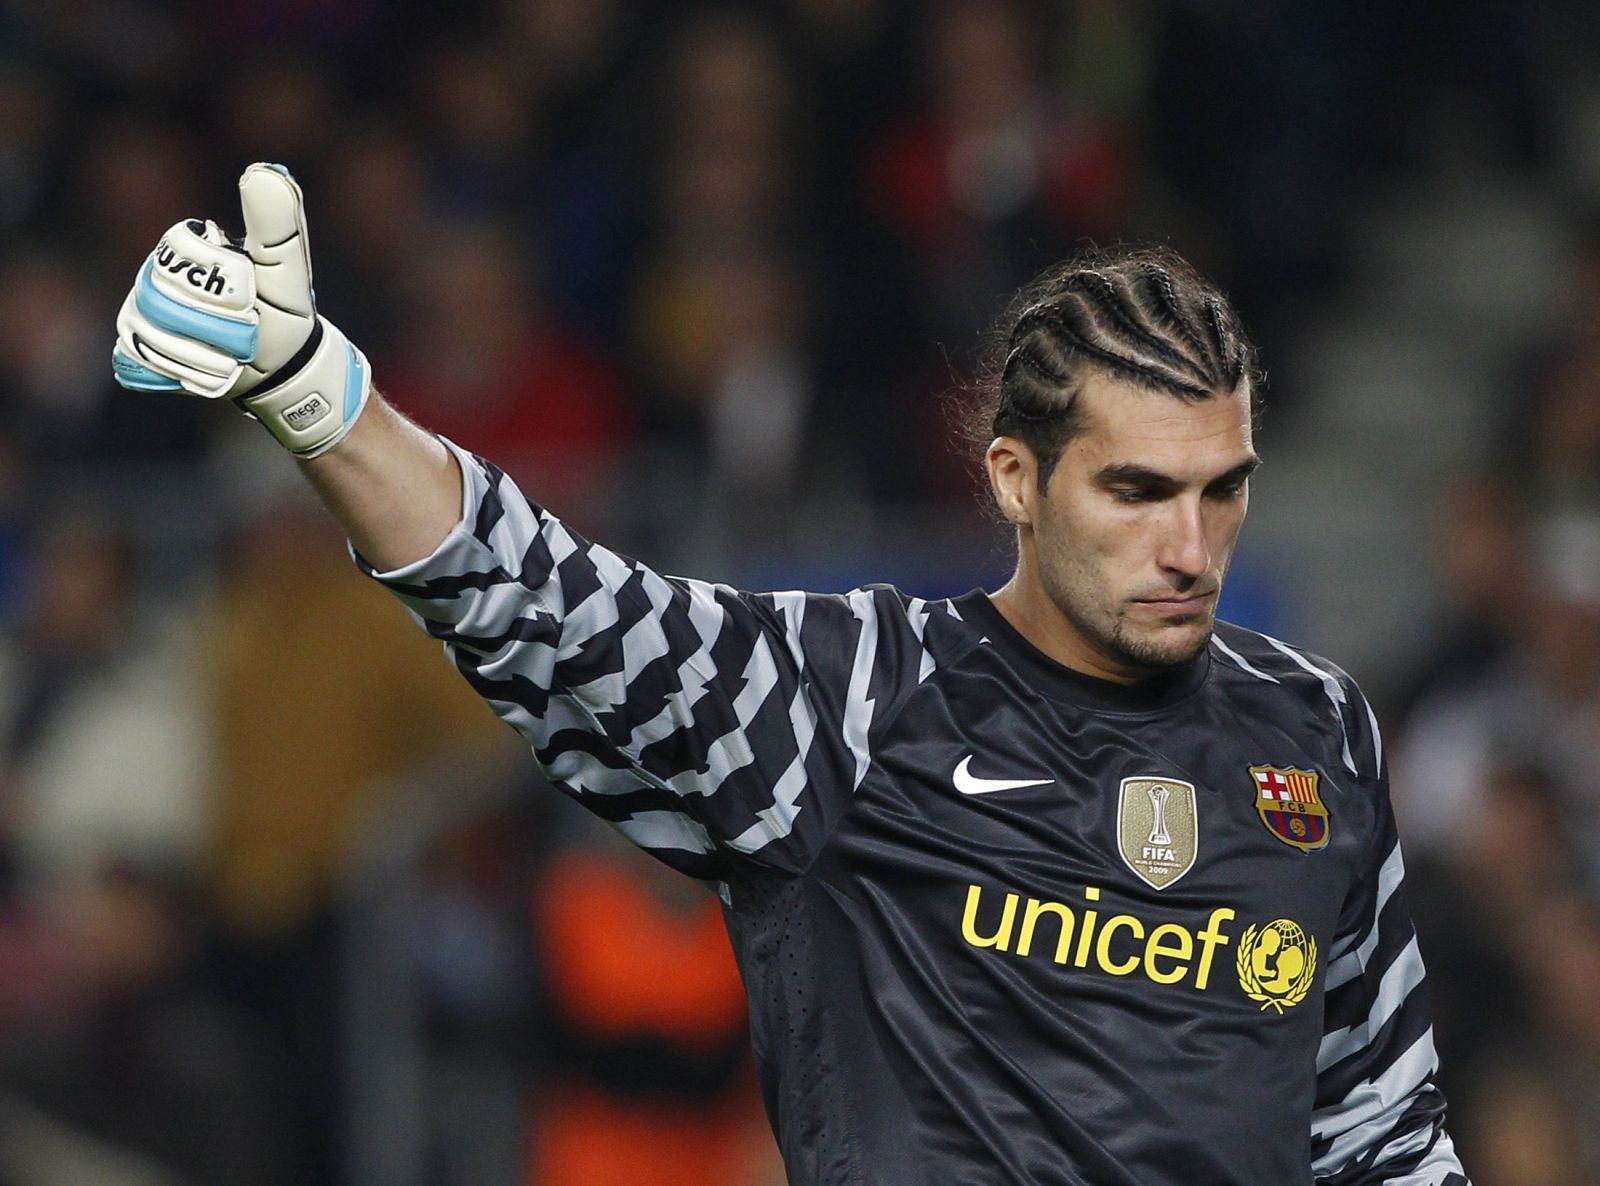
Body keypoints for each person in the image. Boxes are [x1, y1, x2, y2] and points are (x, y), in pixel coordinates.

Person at [110, 165, 1471, 1185]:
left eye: (1222, 491)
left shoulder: (1317, 731)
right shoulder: (855, 696)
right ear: (1015, 476)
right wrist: (315, 392)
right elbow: (543, 592)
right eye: (1137, 489)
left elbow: (1384, 1132)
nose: (1190, 544)